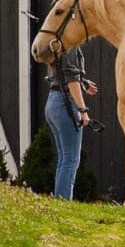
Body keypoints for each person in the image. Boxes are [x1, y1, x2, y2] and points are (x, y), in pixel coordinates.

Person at [43, 45, 98, 199]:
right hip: (65, 103)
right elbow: (71, 80)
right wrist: (83, 110)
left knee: (64, 158)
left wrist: (84, 83)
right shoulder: (70, 46)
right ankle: (63, 203)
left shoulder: (56, 45)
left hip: (53, 102)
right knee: (71, 160)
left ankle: (60, 202)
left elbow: (62, 73)